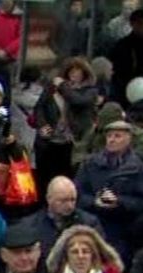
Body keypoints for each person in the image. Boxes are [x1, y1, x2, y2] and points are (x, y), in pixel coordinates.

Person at [75, 120, 143, 266]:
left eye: (117, 136)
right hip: (93, 229)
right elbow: (77, 196)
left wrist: (119, 202)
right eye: (109, 136)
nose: (111, 140)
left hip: (124, 233)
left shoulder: (138, 169)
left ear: (128, 139)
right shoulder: (90, 165)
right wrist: (94, 202)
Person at [33, 57, 98, 189]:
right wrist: (42, 125)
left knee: (65, 179)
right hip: (49, 140)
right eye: (71, 71)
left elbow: (77, 101)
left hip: (71, 143)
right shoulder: (52, 88)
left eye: (78, 71)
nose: (74, 74)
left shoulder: (90, 91)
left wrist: (62, 86)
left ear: (84, 73)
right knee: (43, 179)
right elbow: (39, 107)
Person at [17, 176, 101, 256]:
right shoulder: (30, 226)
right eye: (63, 201)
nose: (70, 206)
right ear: (49, 199)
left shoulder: (89, 224)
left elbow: (100, 254)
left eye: (72, 200)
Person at [110, 9, 143, 105]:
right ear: (132, 24)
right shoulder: (123, 45)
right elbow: (117, 67)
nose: (140, 26)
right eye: (137, 23)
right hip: (127, 86)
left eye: (142, 23)